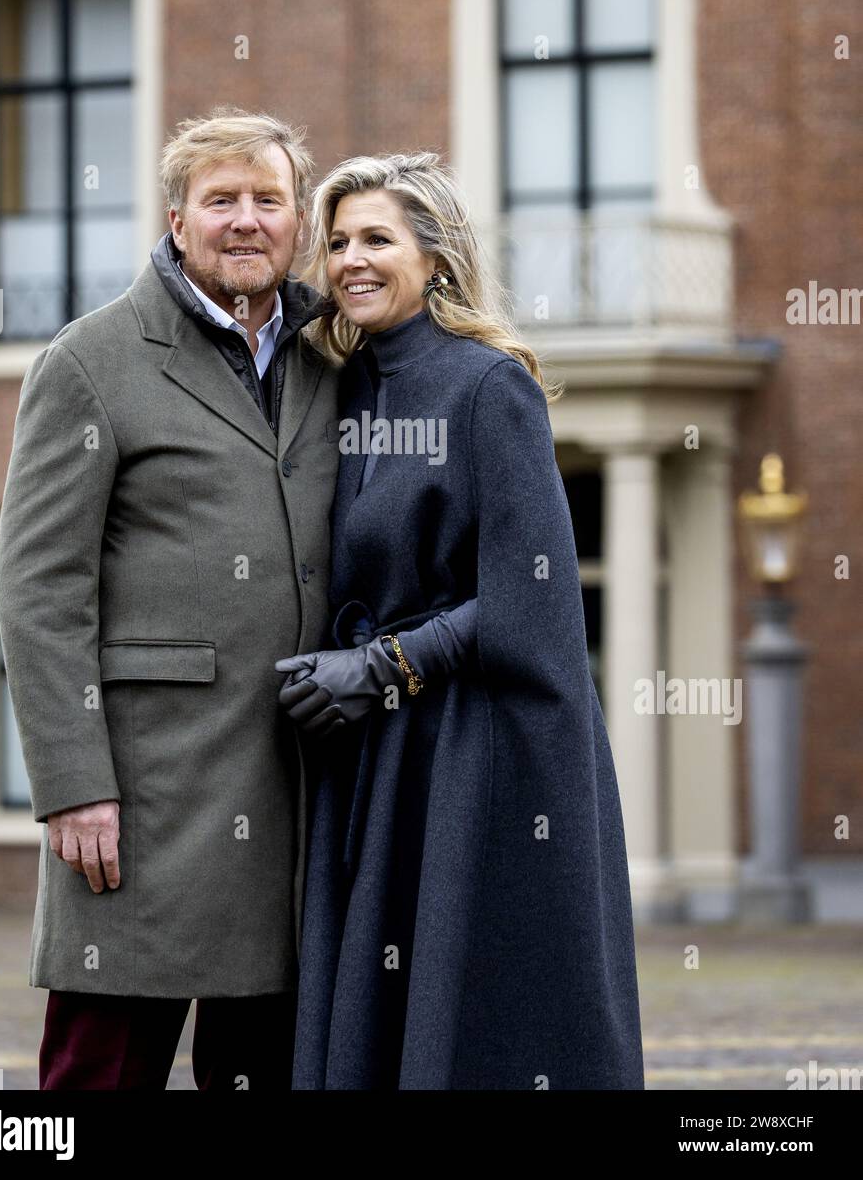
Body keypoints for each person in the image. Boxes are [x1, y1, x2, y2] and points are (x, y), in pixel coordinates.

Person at [275, 152, 645, 1090]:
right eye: (339, 241)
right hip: (365, 755)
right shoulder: (335, 391)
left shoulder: (489, 387)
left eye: (378, 239)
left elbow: (536, 591)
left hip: (472, 751)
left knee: (471, 1019)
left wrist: (384, 666)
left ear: (434, 258)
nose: (352, 259)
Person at [0, 107, 339, 1090]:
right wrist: (70, 782)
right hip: (143, 804)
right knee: (98, 1075)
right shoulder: (90, 361)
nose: (245, 220)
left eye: (266, 199)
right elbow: (37, 587)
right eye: (220, 199)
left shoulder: (335, 357)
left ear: (298, 220)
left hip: (295, 804)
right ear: (177, 220)